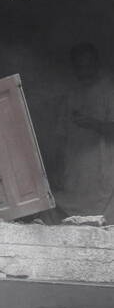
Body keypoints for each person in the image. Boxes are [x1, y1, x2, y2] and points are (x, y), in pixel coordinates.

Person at [51, 43, 114, 220]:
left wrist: (94, 124)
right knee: (71, 213)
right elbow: (61, 135)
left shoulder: (109, 90)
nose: (83, 70)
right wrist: (57, 166)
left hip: (103, 167)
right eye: (79, 66)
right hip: (75, 170)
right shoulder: (71, 94)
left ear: (96, 64)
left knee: (104, 217)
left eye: (87, 65)